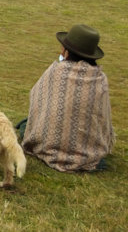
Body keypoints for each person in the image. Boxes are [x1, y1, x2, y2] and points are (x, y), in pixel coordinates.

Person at [22, 24, 113, 172]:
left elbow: (36, 101)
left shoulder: (55, 71)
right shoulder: (100, 79)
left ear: (66, 51)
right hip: (87, 154)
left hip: (47, 148)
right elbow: (102, 118)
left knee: (25, 125)